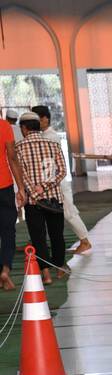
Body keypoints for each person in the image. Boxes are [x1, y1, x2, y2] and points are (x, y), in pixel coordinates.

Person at [30, 105, 90, 256]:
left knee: (69, 212)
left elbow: (50, 165)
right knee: (66, 212)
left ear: (45, 119)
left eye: (36, 120)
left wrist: (46, 186)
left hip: (56, 183)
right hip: (50, 182)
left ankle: (85, 241)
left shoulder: (51, 137)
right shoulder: (43, 136)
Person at [15, 111, 66, 283]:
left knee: (38, 237)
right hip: (54, 199)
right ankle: (59, 268)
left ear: (24, 128)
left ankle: (45, 273)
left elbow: (22, 176)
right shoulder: (53, 145)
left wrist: (35, 193)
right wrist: (44, 187)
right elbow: (61, 171)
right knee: (57, 234)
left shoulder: (19, 147)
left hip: (33, 202)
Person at [0, 104, 26, 291]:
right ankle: (6, 269)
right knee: (8, 230)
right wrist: (21, 188)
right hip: (4, 185)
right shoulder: (4, 127)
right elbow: (12, 158)